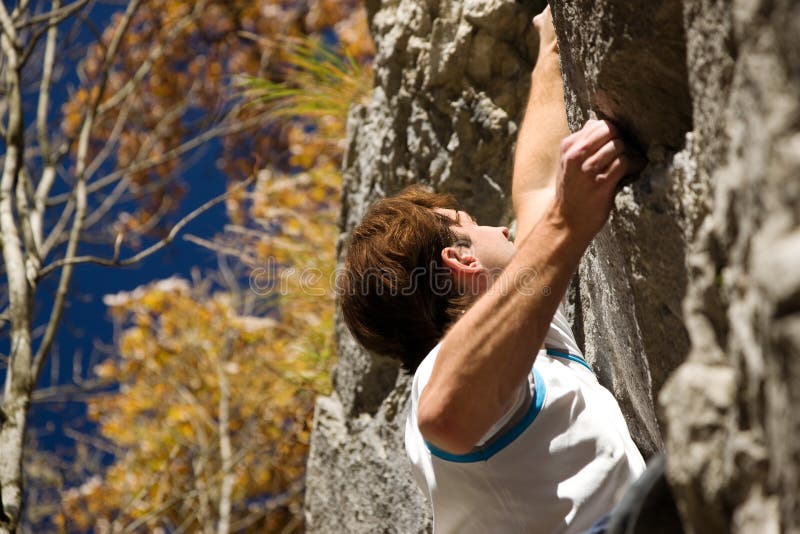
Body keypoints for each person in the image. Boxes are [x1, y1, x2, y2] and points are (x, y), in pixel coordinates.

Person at [338, 5, 647, 533]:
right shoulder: (437, 375)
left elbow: (534, 194)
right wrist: (565, 231)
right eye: (473, 222)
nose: (500, 229)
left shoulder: (526, 338)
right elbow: (445, 414)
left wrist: (551, 47)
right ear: (460, 259)